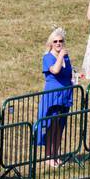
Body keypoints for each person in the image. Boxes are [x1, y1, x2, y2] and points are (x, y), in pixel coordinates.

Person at [37, 29, 74, 166]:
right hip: (53, 96)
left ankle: (56, 154)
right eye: (55, 41)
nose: (59, 43)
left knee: (60, 126)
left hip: (65, 95)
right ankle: (48, 156)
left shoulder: (65, 57)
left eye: (61, 41)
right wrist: (60, 57)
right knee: (51, 126)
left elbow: (68, 73)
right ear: (51, 43)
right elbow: (55, 70)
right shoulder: (48, 57)